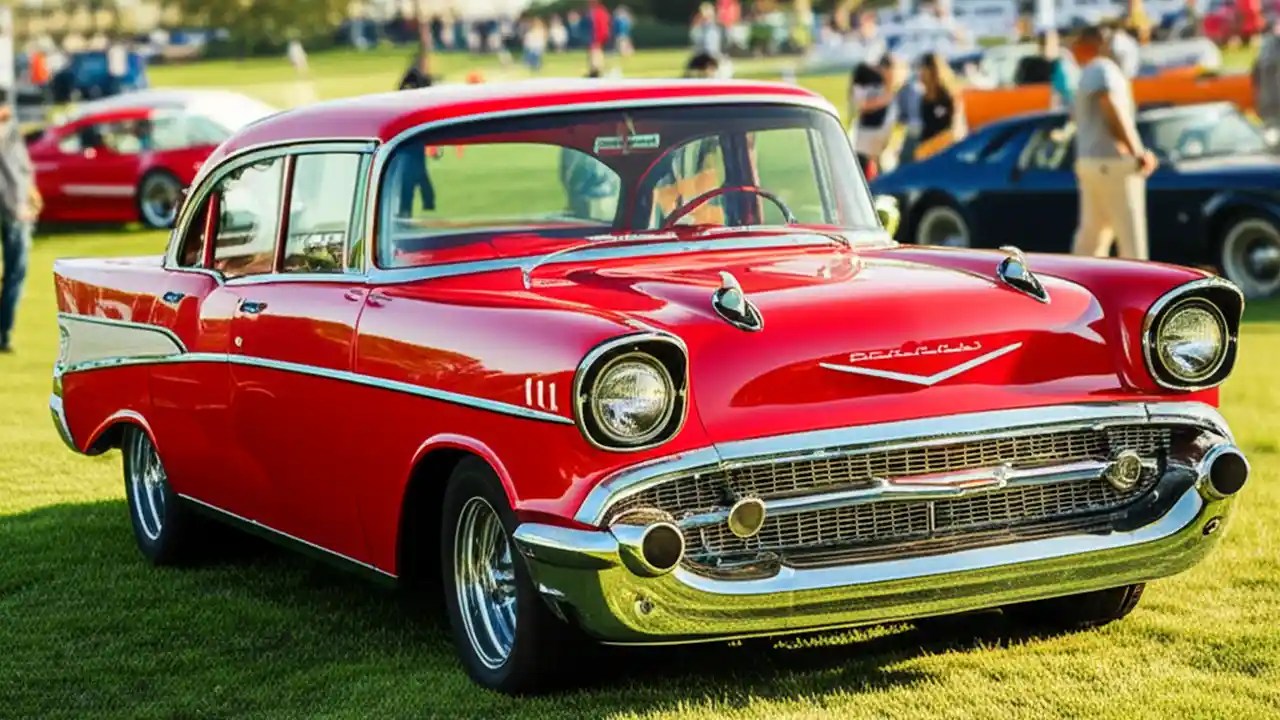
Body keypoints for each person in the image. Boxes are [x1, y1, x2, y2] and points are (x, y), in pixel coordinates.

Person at [1071, 26, 1156, 261]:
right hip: (1112, 162)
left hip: (1090, 161)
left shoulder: (1088, 72)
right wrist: (1136, 151)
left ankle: (1080, 287)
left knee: (1091, 239)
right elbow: (1110, 105)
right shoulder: (1103, 70)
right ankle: (1140, 293)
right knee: (1131, 241)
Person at [0, 91, 40, 353]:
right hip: (13, 210)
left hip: (17, 207)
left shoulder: (11, 132)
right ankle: (2, 333)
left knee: (17, 272)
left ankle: (3, 331)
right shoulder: (7, 134)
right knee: (16, 271)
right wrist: (19, 206)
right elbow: (13, 175)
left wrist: (32, 194)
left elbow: (23, 169)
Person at [848, 53, 902, 180]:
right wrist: (887, 97)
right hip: (867, 147)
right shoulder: (873, 88)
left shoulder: (901, 91)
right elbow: (862, 104)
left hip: (887, 149)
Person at [913, 52, 966, 161]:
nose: (920, 75)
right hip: (926, 152)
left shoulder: (949, 98)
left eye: (923, 70)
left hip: (945, 151)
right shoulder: (924, 98)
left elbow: (955, 129)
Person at [1252, 23, 1280, 143]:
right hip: (1271, 104)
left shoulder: (1266, 49)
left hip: (1268, 103)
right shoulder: (1269, 48)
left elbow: (1255, 78)